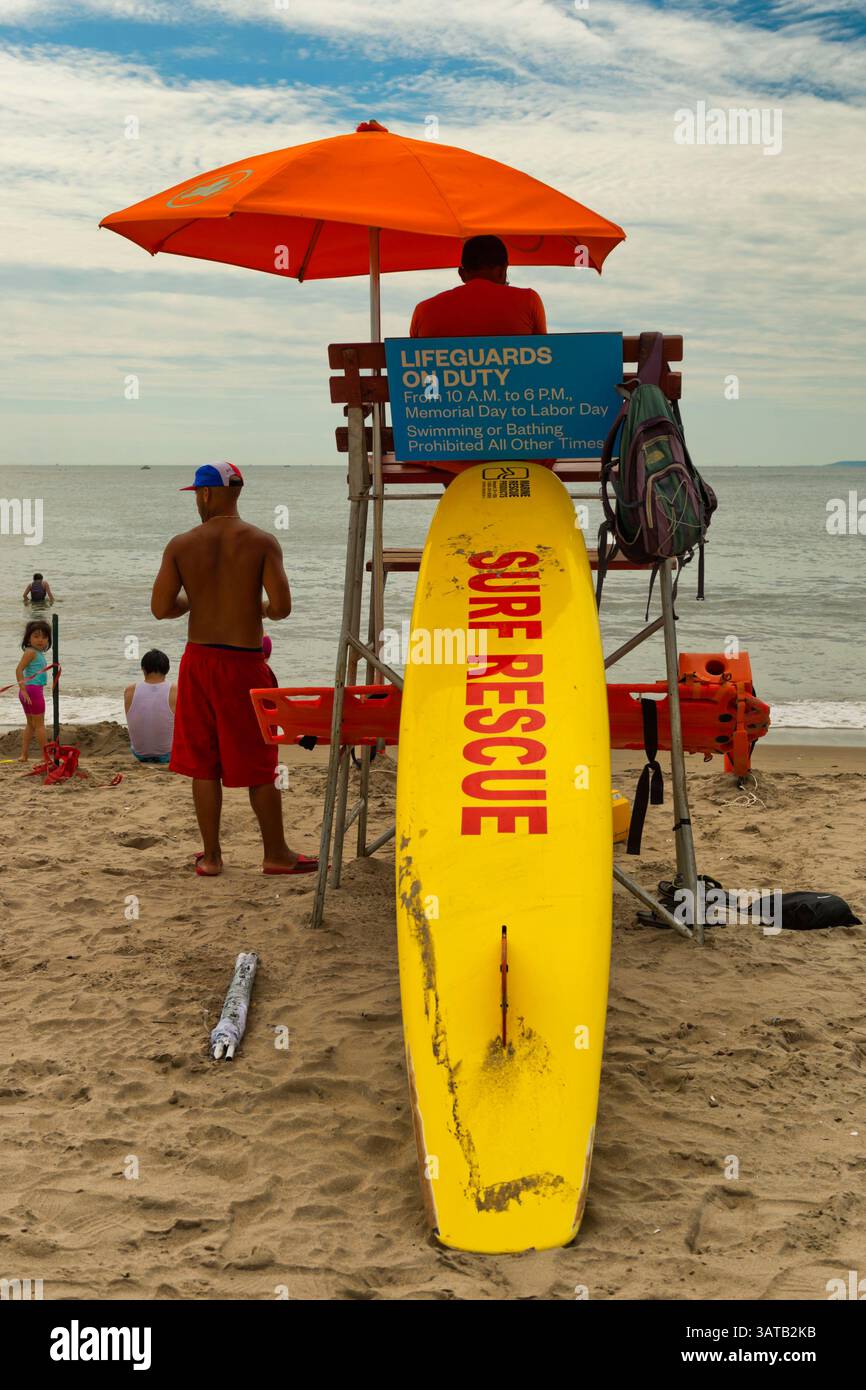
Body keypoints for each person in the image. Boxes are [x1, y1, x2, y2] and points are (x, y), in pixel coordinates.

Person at [150, 461, 316, 878]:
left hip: (199, 661)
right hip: (244, 664)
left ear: (206, 494)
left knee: (203, 762)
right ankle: (275, 853)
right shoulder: (262, 542)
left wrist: (198, 601)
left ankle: (211, 857)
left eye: (196, 495)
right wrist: (252, 606)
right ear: (236, 493)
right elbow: (281, 609)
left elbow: (161, 608)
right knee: (260, 759)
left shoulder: (181, 545)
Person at [409, 234, 549, 476]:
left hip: (445, 448)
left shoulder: (424, 310)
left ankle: (467, 504)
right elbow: (543, 368)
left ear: (462, 273)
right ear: (503, 270)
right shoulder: (528, 301)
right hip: (520, 448)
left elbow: (421, 380)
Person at [124, 649, 177, 764]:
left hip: (139, 754)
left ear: (143, 668)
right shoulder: (176, 691)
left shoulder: (129, 690)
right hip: (168, 754)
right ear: (167, 669)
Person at [15, 619, 51, 761]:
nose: (40, 640)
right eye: (36, 636)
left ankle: (24, 755)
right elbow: (18, 670)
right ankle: (46, 756)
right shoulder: (31, 652)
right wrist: (23, 689)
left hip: (30, 691)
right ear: (28, 639)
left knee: (31, 724)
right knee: (40, 725)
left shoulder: (36, 653)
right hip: (33, 692)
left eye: (44, 637)